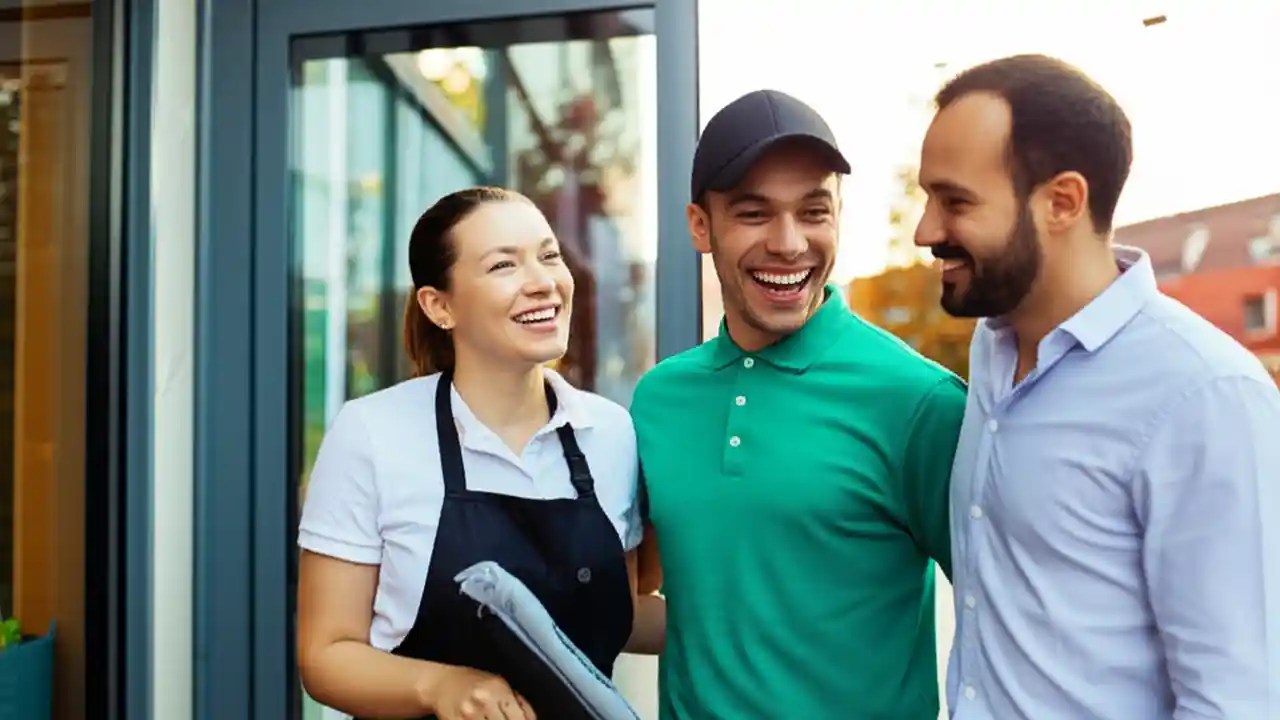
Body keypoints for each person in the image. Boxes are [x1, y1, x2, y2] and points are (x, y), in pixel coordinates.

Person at [915, 53, 1280, 719]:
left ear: (1062, 202)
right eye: (927, 199)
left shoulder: (1205, 398)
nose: (926, 231)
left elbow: (1238, 701)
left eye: (956, 202)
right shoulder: (994, 349)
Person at [629, 89, 968, 718]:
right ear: (700, 226)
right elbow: (644, 596)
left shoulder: (918, 402)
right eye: (754, 214)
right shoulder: (658, 400)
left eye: (814, 212)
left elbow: (1003, 620)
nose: (789, 244)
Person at [295, 186, 663, 720]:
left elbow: (618, 612)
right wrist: (440, 687)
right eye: (503, 266)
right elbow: (325, 655)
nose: (542, 282)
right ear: (439, 305)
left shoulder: (609, 434)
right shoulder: (373, 433)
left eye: (549, 255)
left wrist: (771, 617)